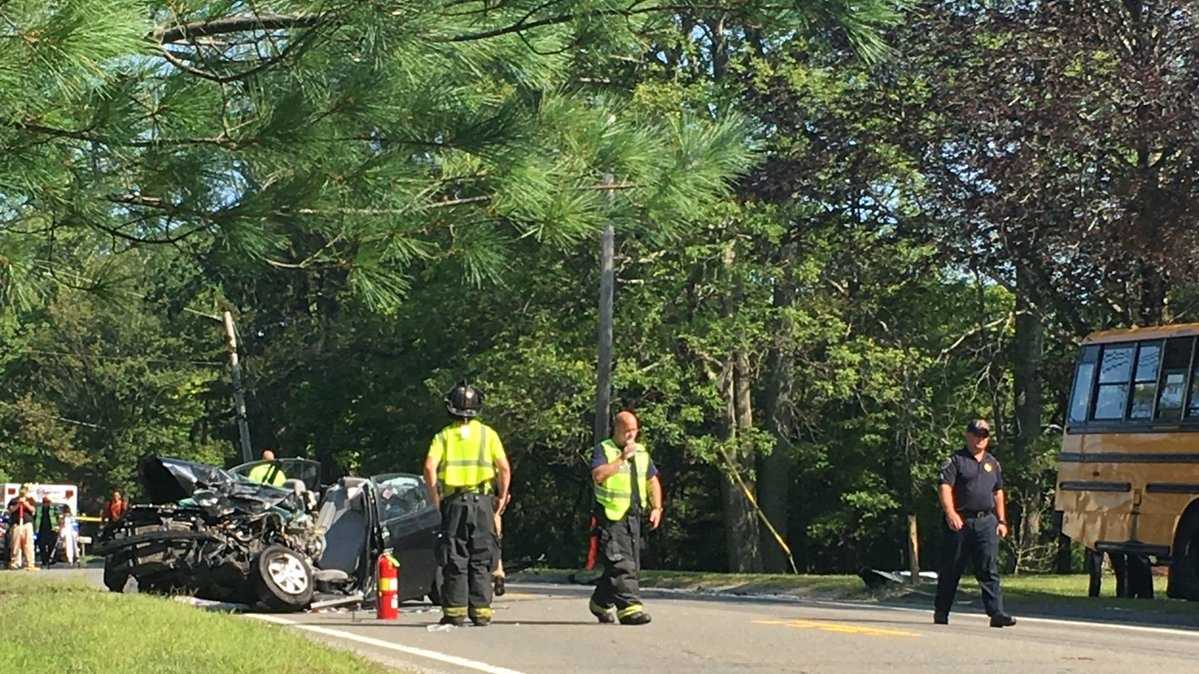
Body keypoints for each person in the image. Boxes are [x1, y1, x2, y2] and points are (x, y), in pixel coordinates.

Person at [424, 381, 511, 627]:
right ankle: (481, 611)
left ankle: (455, 611)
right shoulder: (488, 435)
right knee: (482, 555)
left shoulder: (443, 436)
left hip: (454, 502)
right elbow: (504, 468)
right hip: (483, 501)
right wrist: (502, 497)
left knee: (455, 555)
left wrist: (435, 497)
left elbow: (430, 467)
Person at [934, 419, 1017, 628]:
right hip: (961, 521)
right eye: (977, 434)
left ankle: (996, 613)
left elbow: (998, 492)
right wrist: (950, 513)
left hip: (986, 521)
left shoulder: (993, 463)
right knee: (952, 568)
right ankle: (942, 612)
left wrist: (1002, 520)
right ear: (968, 435)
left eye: (984, 435)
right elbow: (945, 488)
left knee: (989, 568)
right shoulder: (955, 461)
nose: (980, 438)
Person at [589, 410, 663, 626]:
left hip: (633, 515)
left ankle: (600, 602)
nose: (631, 436)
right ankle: (630, 608)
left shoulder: (642, 452)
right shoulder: (605, 449)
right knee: (621, 562)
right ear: (617, 430)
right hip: (610, 515)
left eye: (634, 431)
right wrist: (621, 459)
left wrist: (656, 507)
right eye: (627, 431)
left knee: (629, 563)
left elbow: (652, 480)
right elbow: (599, 475)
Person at [6, 484, 38, 570]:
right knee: (16, 544)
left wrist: (26, 504)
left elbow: (33, 510)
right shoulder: (13, 500)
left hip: (27, 523)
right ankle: (15, 562)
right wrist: (18, 504)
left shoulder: (31, 500)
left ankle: (30, 563)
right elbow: (10, 510)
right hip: (16, 524)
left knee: (28, 544)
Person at [35, 496, 60, 567]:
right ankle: (44, 561)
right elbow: (35, 517)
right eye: (44, 502)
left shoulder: (54, 509)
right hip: (41, 530)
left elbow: (58, 517)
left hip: (52, 530)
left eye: (48, 502)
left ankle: (51, 560)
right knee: (41, 546)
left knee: (51, 546)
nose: (46, 503)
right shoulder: (39, 509)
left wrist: (58, 527)